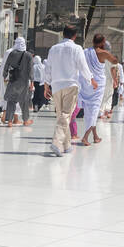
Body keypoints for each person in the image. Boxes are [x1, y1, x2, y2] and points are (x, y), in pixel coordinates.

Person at [43, 25, 96, 157]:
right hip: (71, 84)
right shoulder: (77, 48)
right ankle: (56, 142)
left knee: (61, 115)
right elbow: (83, 66)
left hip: (56, 85)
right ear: (74, 36)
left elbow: (48, 67)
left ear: (63, 34)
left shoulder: (53, 49)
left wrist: (46, 85)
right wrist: (91, 80)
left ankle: (66, 146)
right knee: (66, 114)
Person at [79, 34, 119, 145]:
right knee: (95, 110)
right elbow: (115, 61)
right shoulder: (103, 53)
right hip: (98, 85)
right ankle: (86, 137)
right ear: (103, 42)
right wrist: (107, 51)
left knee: (88, 110)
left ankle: (95, 136)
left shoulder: (85, 51)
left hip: (87, 83)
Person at [1, 36, 34, 127]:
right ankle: (25, 120)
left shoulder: (12, 54)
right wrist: (32, 82)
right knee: (24, 102)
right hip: (23, 82)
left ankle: (10, 122)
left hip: (12, 80)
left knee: (11, 101)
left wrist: (4, 76)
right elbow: (31, 70)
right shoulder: (28, 55)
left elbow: (6, 66)